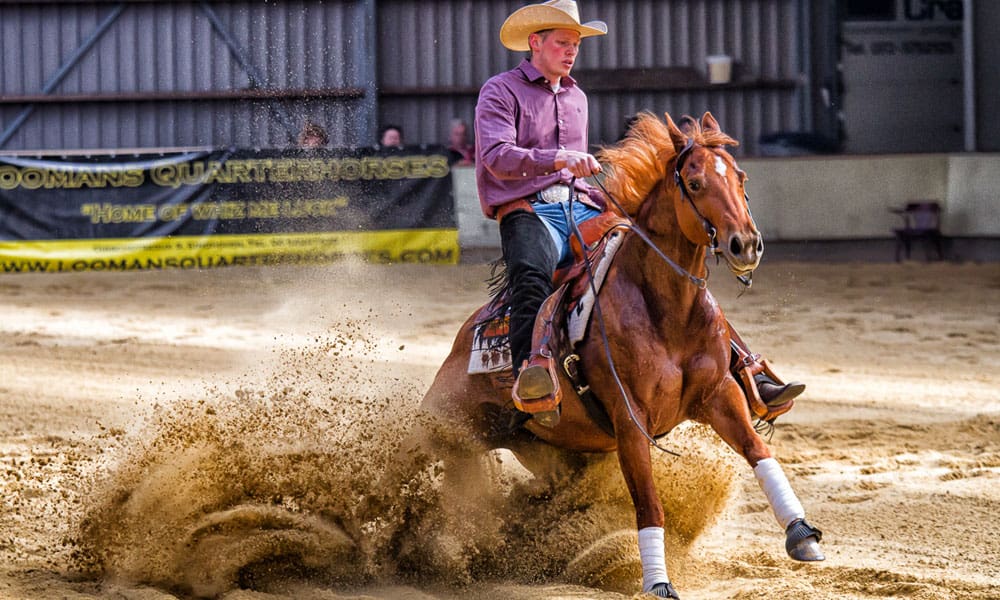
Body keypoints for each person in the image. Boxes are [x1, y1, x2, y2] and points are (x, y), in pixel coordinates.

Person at [476, 0, 803, 421]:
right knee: (531, 274)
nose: (571, 51)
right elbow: (497, 157)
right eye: (562, 42)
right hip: (527, 209)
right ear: (535, 43)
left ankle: (746, 368)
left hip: (581, 205)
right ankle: (532, 373)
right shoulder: (500, 91)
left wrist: (580, 180)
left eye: (575, 43)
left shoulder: (576, 97)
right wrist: (558, 159)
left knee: (660, 263)